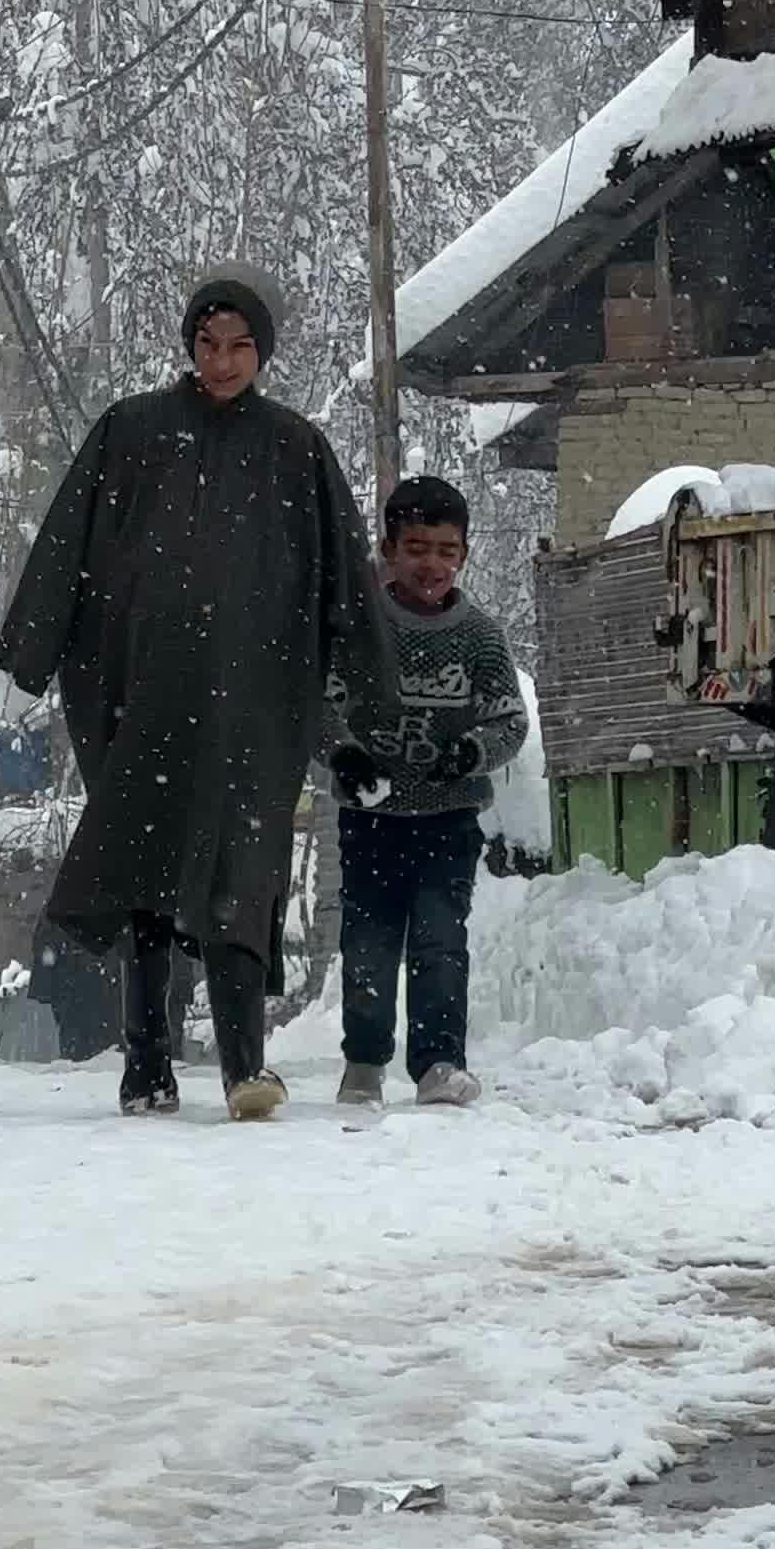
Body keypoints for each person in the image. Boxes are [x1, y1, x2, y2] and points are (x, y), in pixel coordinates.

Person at [0, 267, 396, 1121]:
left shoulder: (296, 450)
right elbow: (70, 543)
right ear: (188, 346)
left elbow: (345, 582)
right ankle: (146, 1064)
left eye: (239, 346)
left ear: (263, 351)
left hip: (257, 701)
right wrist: (34, 651)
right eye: (208, 344)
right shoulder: (132, 432)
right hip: (144, 693)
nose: (221, 362)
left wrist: (364, 700)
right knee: (148, 869)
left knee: (244, 872)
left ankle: (246, 1065)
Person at [325, 473, 528, 1110]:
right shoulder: (358, 627)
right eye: (416, 548)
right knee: (369, 939)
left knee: (441, 940)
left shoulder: (480, 637)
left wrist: (474, 751)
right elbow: (318, 705)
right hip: (371, 818)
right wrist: (346, 755)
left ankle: (439, 1062)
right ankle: (363, 1062)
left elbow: (509, 721)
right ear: (388, 550)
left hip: (449, 819)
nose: (430, 564)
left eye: (446, 550)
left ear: (463, 555)